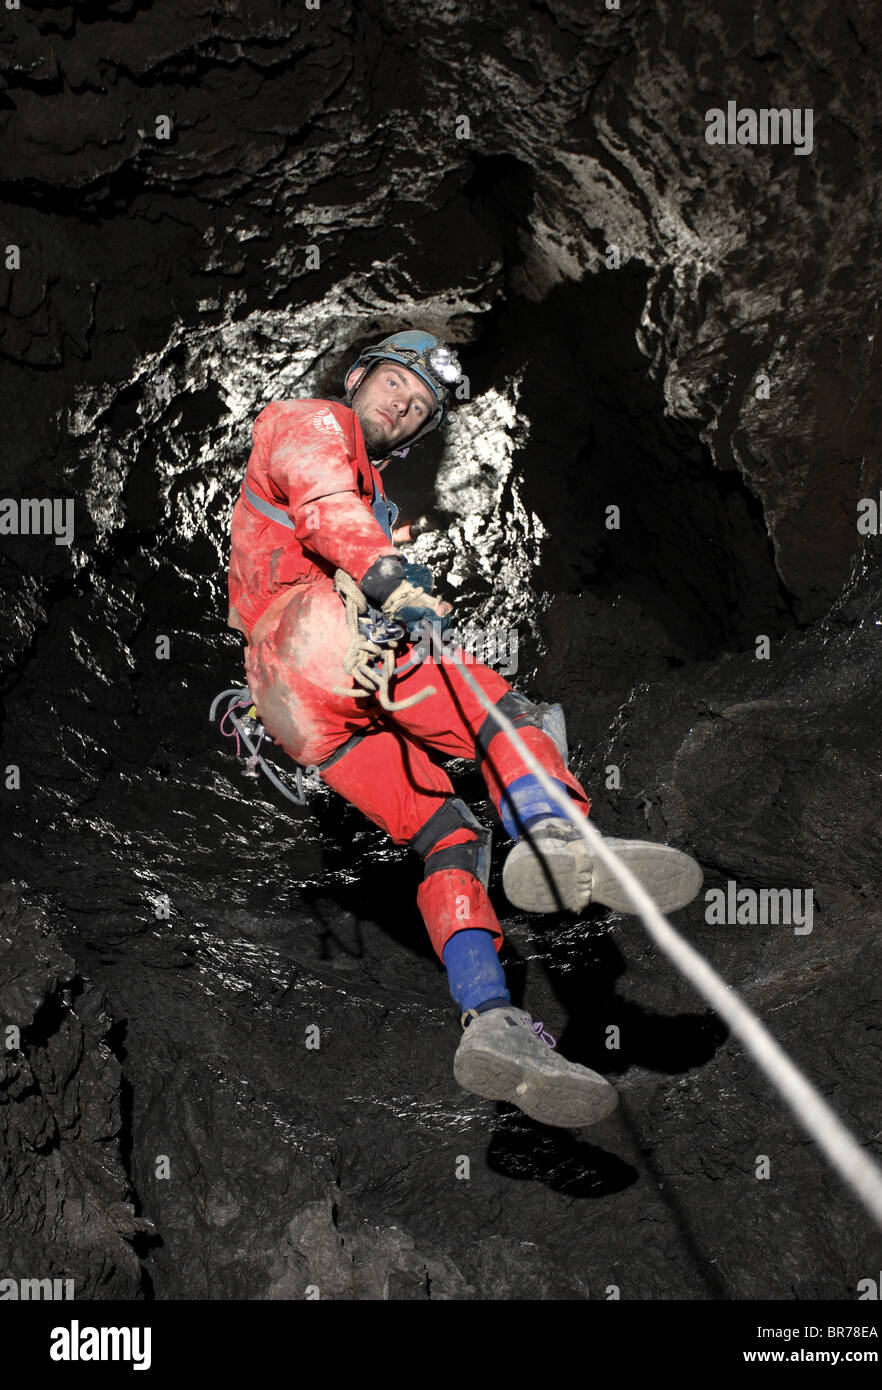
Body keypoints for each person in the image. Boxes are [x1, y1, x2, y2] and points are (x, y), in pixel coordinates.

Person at [226, 329, 703, 1129]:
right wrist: (382, 573)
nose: (404, 406)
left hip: (297, 714)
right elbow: (320, 495)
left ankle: (493, 1021)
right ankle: (555, 832)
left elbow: (333, 515)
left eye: (419, 408)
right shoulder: (314, 420)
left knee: (449, 835)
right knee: (503, 715)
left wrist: (383, 557)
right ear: (357, 377)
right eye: (394, 386)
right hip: (322, 639)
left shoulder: (371, 487)